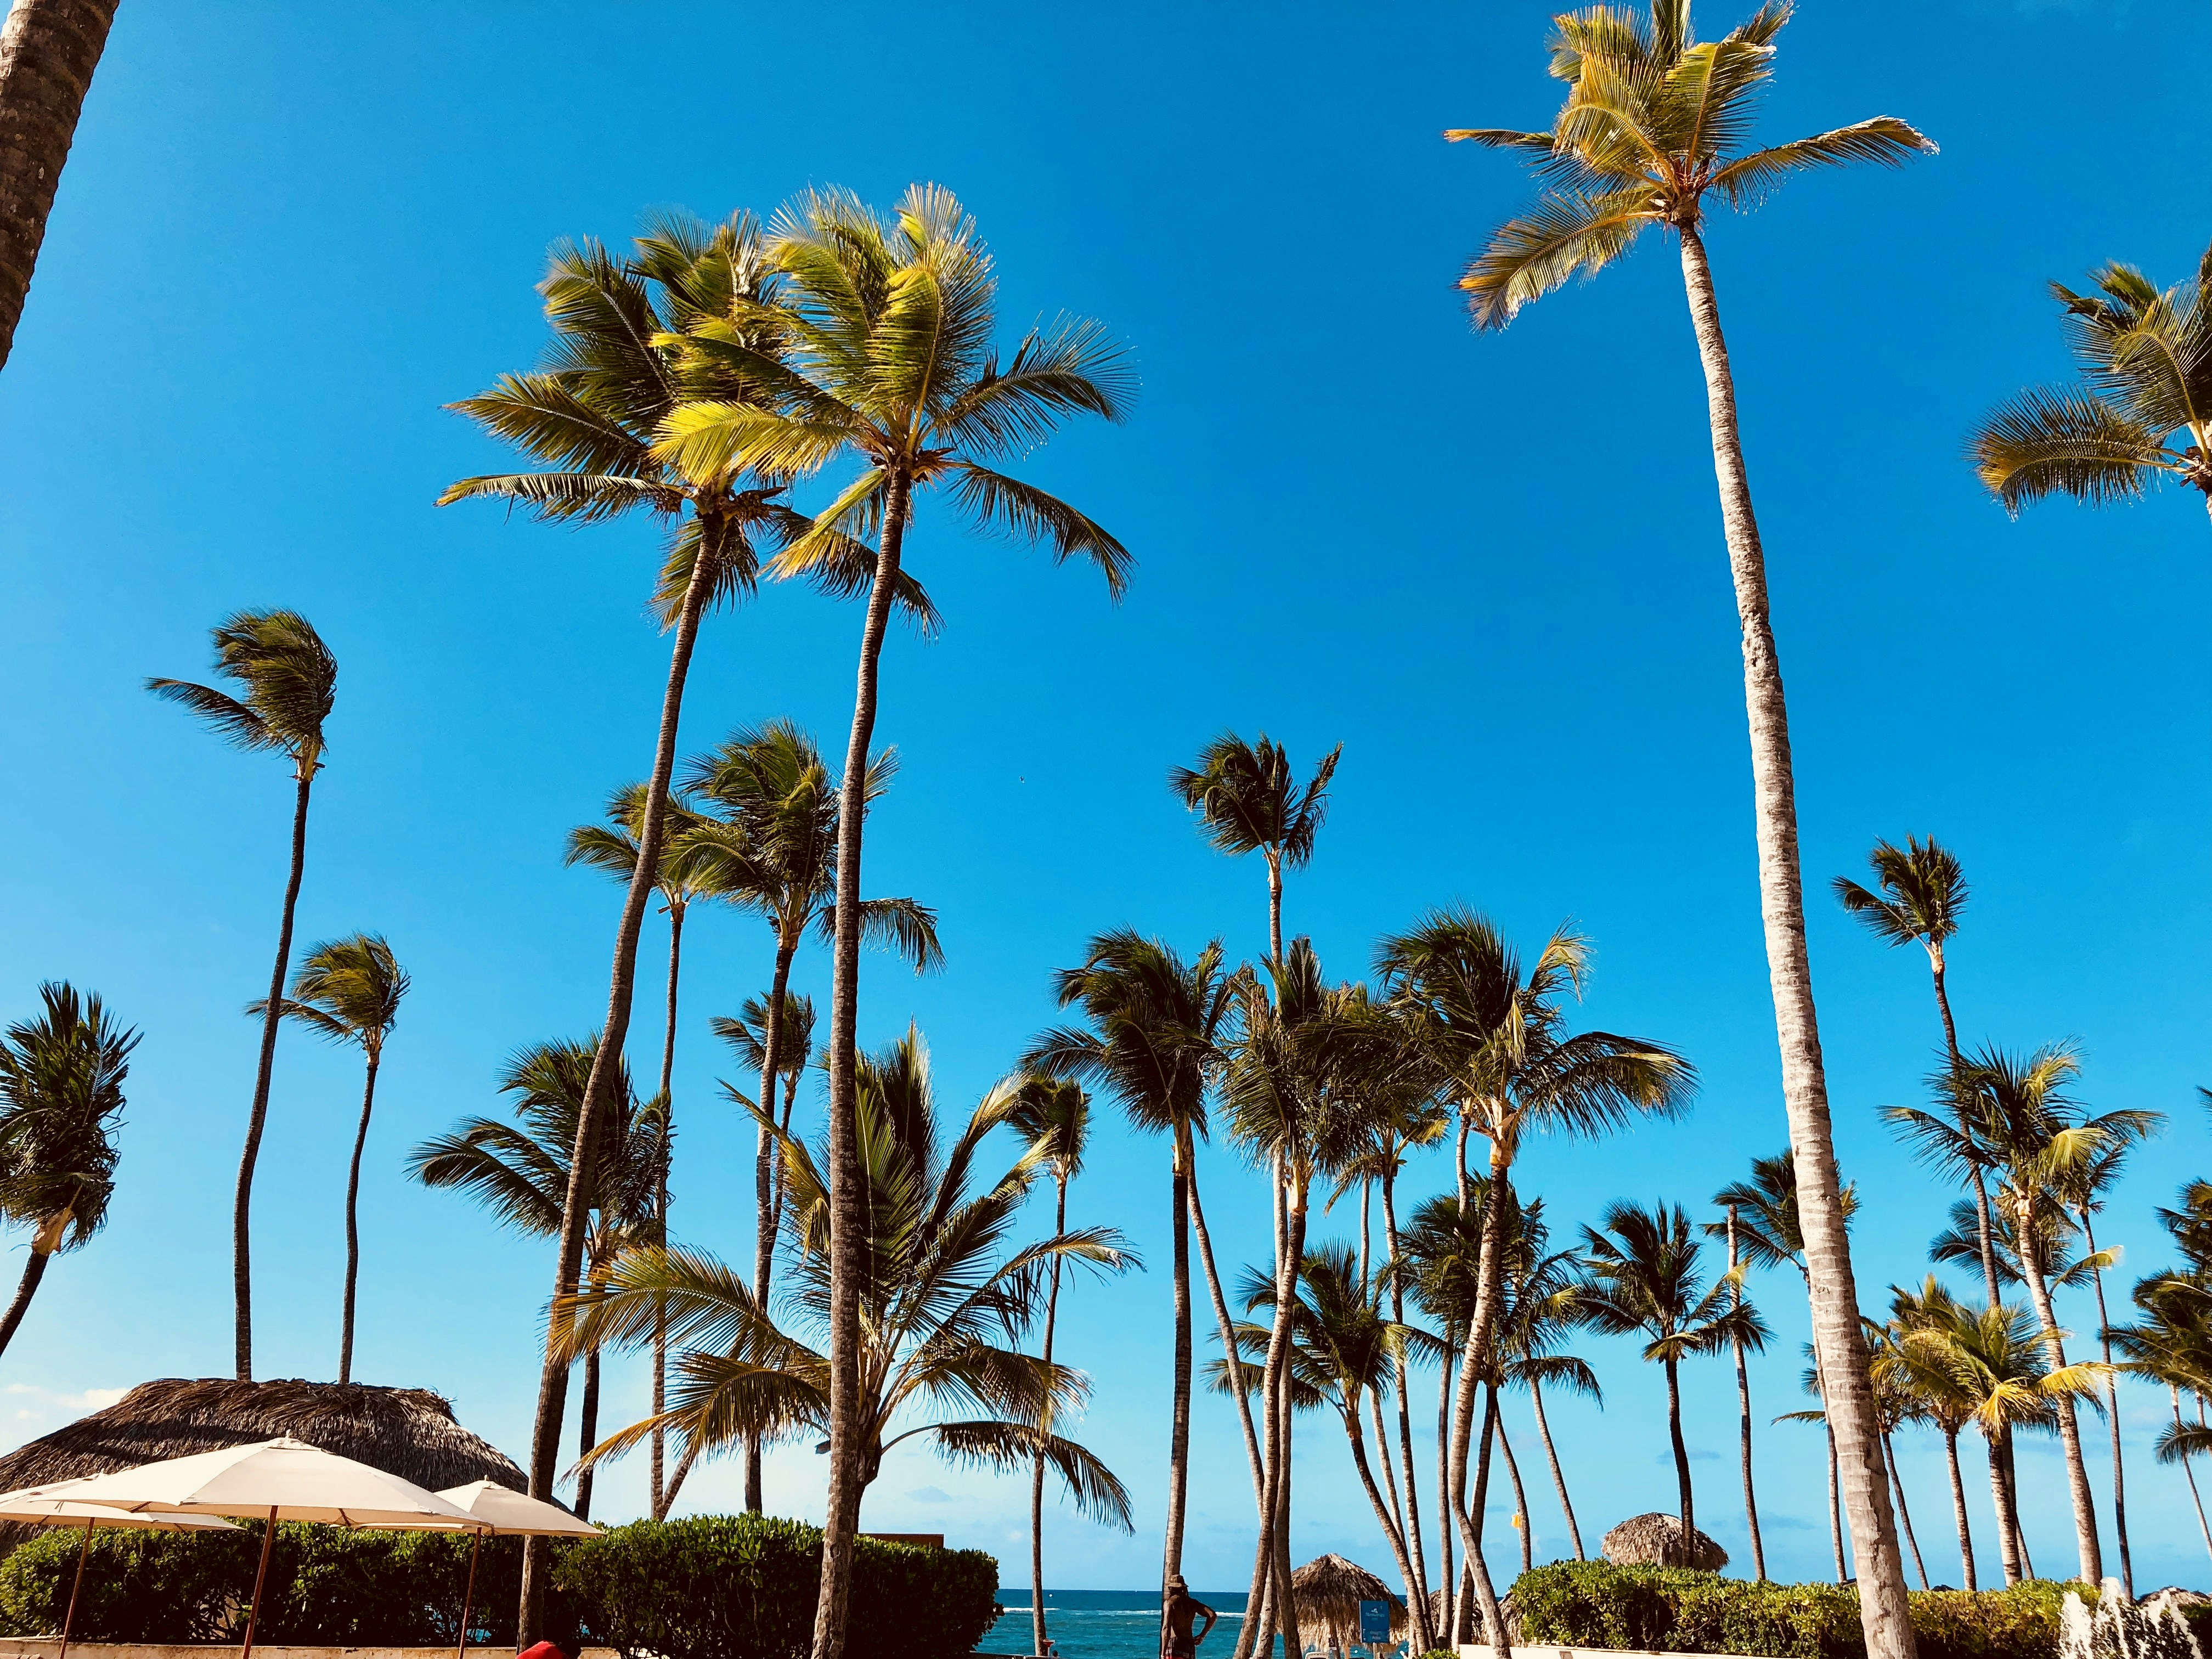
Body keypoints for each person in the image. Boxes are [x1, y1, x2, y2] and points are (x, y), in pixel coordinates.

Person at [1161, 1575, 1218, 1659]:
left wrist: (1163, 1654)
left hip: (1175, 1644)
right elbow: (1212, 1615)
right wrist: (1202, 1635)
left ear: (1171, 1588)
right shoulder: (1192, 1603)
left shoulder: (1170, 1603)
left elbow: (1166, 1628)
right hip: (1189, 1644)